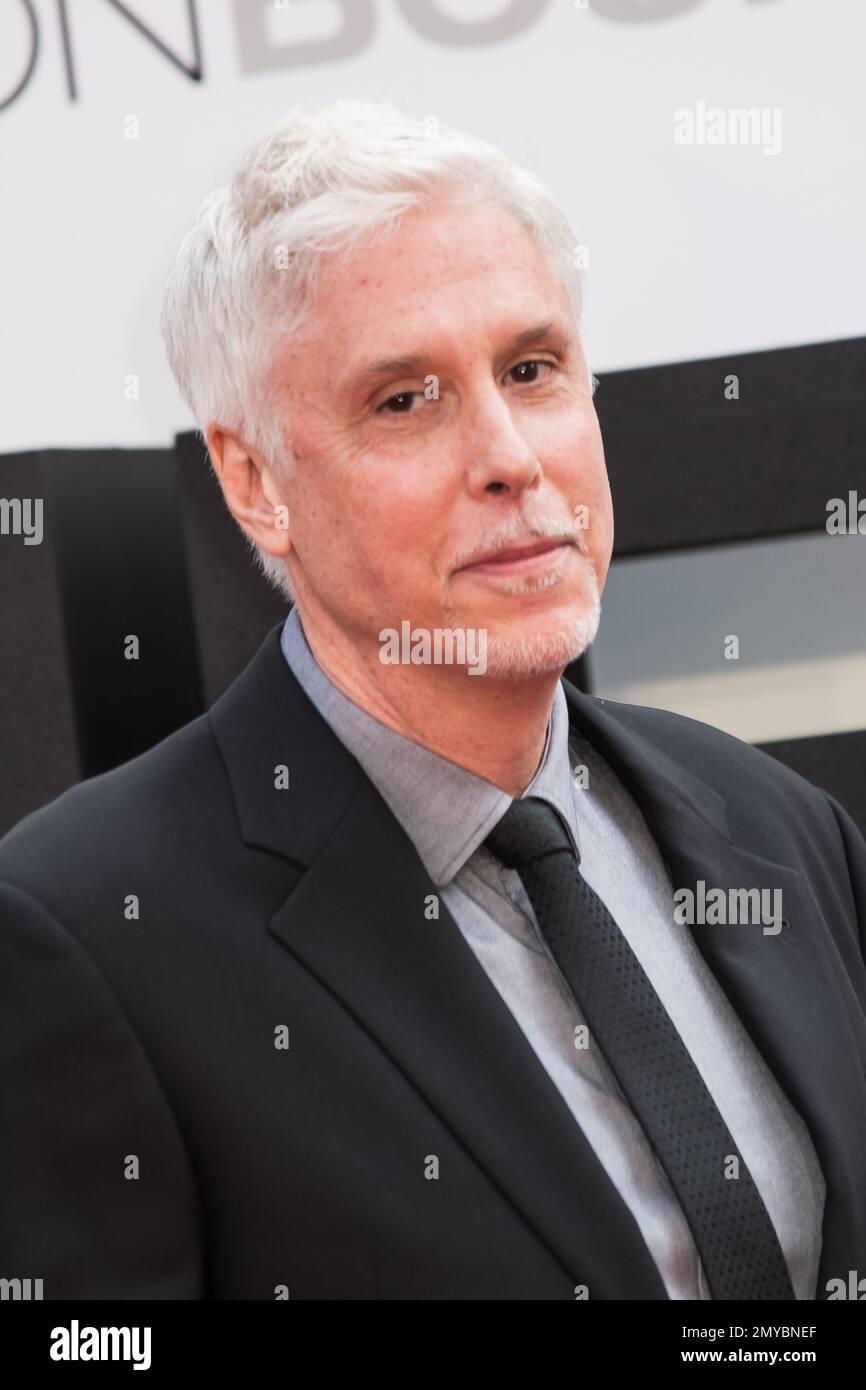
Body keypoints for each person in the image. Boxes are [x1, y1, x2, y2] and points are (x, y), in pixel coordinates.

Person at [2, 99, 865, 1301]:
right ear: (255, 484)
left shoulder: (774, 823)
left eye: (531, 368)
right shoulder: (88, 930)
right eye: (404, 399)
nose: (511, 455)